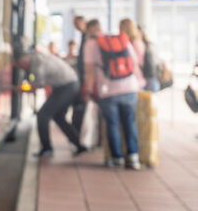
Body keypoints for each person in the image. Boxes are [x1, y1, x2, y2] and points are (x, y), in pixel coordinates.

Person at [83, 18, 143, 170]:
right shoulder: (121, 39)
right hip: (129, 88)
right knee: (130, 122)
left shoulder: (91, 44)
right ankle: (133, 157)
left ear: (90, 30)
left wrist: (88, 90)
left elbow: (89, 71)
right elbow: (134, 63)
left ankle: (117, 158)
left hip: (108, 90)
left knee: (112, 124)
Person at [16, 49, 88, 157]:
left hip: (67, 86)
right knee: (58, 116)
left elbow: (36, 86)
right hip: (68, 85)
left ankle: (47, 148)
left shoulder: (37, 63)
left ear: (24, 62)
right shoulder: (37, 58)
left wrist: (19, 88)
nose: (21, 68)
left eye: (20, 66)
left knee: (42, 115)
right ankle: (79, 145)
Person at [71, 15, 87, 133]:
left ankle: (78, 131)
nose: (75, 27)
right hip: (82, 77)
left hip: (85, 77)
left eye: (77, 24)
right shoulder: (83, 36)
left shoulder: (87, 37)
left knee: (81, 104)